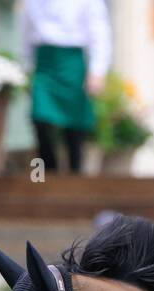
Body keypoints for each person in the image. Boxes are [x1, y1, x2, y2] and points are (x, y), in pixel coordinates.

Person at [22, 0, 111, 174]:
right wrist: (26, 68)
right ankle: (49, 170)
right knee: (40, 117)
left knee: (74, 121)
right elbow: (25, 34)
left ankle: (75, 172)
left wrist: (97, 71)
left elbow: (100, 32)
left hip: (72, 61)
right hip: (44, 63)